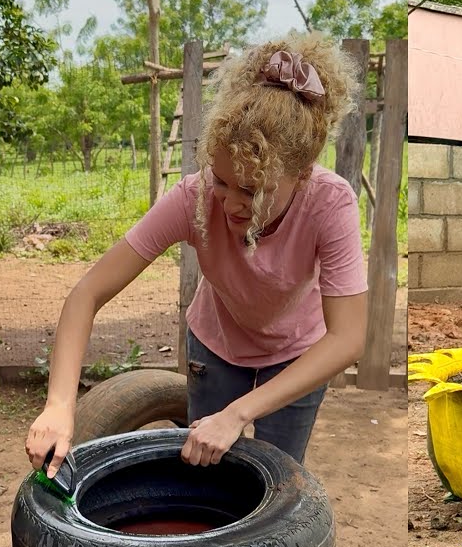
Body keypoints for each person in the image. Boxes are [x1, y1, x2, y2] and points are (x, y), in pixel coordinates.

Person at [25, 33, 368, 474]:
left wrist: (238, 414)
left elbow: (347, 338)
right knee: (201, 465)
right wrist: (58, 406)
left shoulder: (330, 204)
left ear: (301, 175)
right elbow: (88, 293)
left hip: (298, 352)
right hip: (218, 342)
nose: (229, 204)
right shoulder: (195, 195)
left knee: (280, 476)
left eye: (253, 190)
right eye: (223, 181)